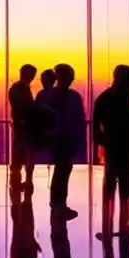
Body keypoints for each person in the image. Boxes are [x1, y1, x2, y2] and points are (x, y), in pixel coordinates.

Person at [93, 65, 129, 238]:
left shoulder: (105, 98)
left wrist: (100, 141)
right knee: (125, 188)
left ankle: (108, 226)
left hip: (112, 145)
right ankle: (124, 226)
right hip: (126, 146)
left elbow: (96, 123)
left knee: (109, 187)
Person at [50, 64, 84, 221]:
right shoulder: (73, 97)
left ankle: (58, 204)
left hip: (63, 139)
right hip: (63, 139)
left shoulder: (51, 96)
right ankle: (59, 204)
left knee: (62, 171)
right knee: (62, 172)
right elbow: (79, 120)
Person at [9, 65, 38, 187]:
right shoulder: (19, 89)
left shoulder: (18, 88)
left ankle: (17, 181)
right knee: (21, 152)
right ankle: (17, 181)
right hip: (22, 126)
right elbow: (20, 107)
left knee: (20, 152)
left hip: (22, 125)